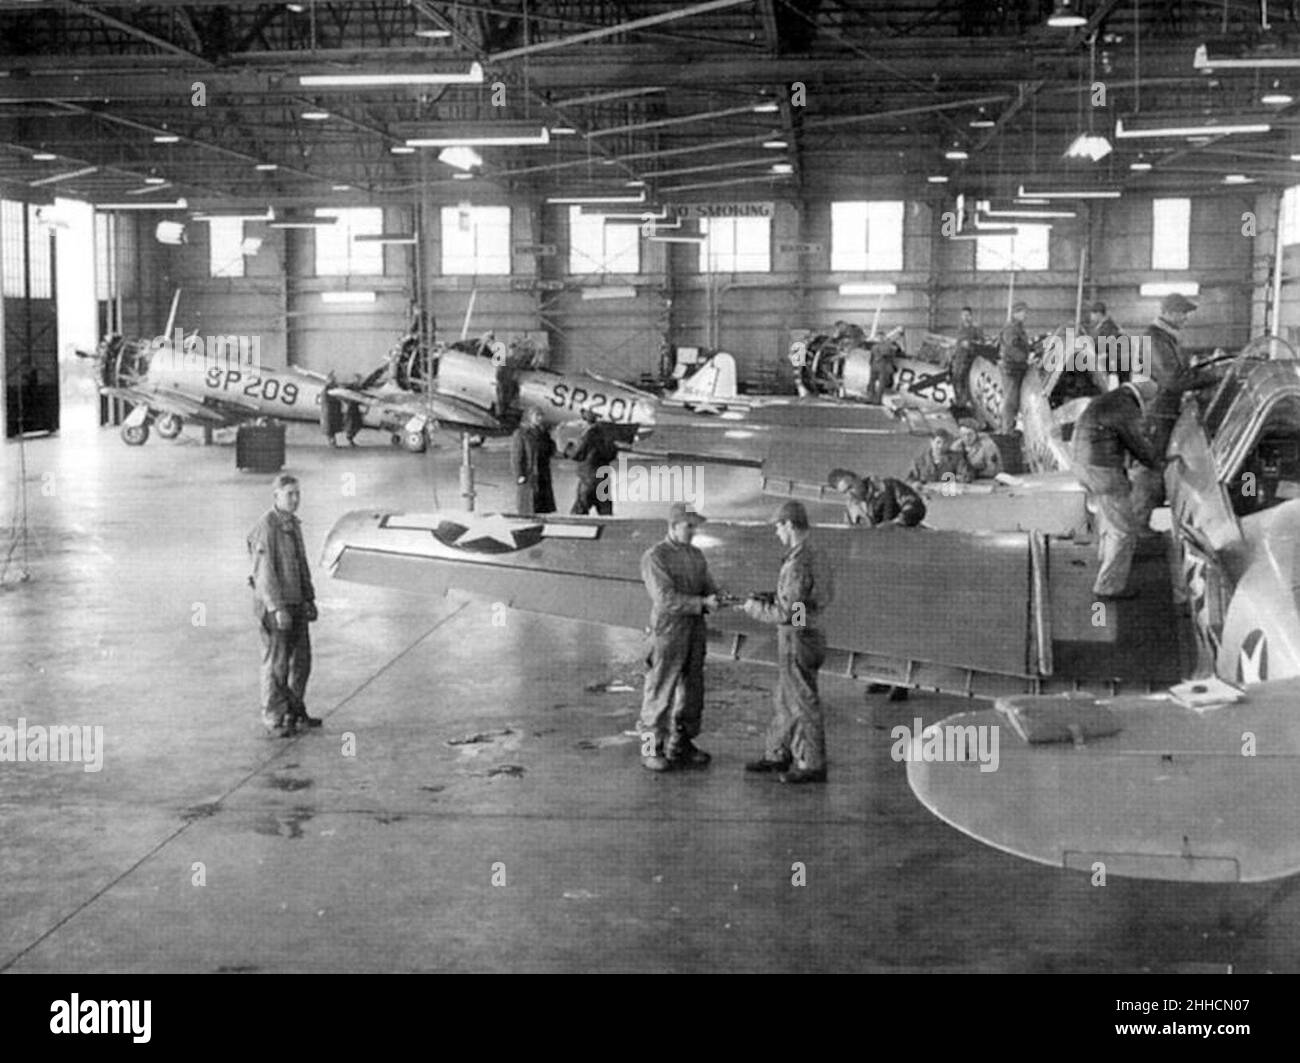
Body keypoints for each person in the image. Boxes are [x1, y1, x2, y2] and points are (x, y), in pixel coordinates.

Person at [742, 501, 835, 784]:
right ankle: (778, 752)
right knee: (785, 698)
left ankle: (811, 763)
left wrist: (753, 608)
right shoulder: (815, 554)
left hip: (797, 638)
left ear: (790, 525)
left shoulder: (798, 563)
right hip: (810, 633)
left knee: (802, 701)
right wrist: (771, 596)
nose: (776, 533)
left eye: (778, 527)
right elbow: (807, 599)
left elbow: (789, 614)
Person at [638, 503, 720, 772]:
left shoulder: (696, 555)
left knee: (692, 691)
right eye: (689, 526)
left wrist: (716, 596)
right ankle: (651, 750)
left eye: (695, 526)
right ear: (673, 526)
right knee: (660, 691)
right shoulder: (655, 557)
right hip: (668, 631)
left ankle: (681, 744)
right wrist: (701, 602)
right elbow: (664, 599)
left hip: (694, 630)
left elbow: (707, 584)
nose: (693, 531)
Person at [1072, 381, 1162, 599]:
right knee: (1124, 530)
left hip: (1082, 465)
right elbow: (1138, 445)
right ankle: (1108, 587)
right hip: (1102, 471)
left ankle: (1105, 558)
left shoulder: (1110, 399)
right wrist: (1158, 463)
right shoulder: (1126, 408)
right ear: (1145, 399)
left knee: (1108, 519)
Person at [247, 474, 320, 736]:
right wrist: (277, 608)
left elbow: (301, 565)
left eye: (298, 493)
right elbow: (263, 574)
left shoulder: (292, 524)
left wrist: (309, 597)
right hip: (276, 607)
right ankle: (273, 718)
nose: (295, 499)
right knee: (276, 664)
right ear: (276, 496)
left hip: (297, 602)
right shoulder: (266, 528)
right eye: (290, 494)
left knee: (302, 662)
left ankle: (294, 710)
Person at [1131, 292, 1211, 528]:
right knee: (1148, 470)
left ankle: (1139, 527)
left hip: (1161, 412)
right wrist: (1212, 376)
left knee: (1152, 469)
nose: (1186, 318)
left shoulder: (1167, 338)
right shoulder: (1155, 339)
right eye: (1182, 313)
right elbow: (1173, 379)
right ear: (1168, 313)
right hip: (1155, 414)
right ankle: (1136, 529)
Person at [828, 468, 926, 528]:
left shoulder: (888, 487)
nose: (850, 494)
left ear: (858, 478)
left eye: (850, 487)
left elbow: (915, 506)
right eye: (845, 492)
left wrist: (896, 523)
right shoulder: (851, 508)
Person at [570, 408, 620, 515]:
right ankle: (608, 529)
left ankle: (573, 530)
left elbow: (577, 454)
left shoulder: (587, 434)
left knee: (580, 510)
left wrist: (568, 449)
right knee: (605, 510)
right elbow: (612, 453)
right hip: (603, 478)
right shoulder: (606, 434)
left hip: (588, 477)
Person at [511, 406, 556, 514]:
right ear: (530, 417)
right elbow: (517, 456)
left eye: (541, 416)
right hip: (529, 474)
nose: (540, 418)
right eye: (537, 415)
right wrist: (519, 475)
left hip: (542, 474)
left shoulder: (544, 433)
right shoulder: (521, 434)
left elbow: (550, 451)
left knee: (543, 506)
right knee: (528, 505)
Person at [998, 300, 1031, 434]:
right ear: (1016, 313)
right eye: (1023, 312)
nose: (1025, 315)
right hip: (1011, 369)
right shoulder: (1011, 328)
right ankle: (1007, 430)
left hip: (1018, 368)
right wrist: (1025, 358)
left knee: (1014, 400)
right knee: (1010, 402)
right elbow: (1011, 348)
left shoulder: (1018, 327)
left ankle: (1010, 428)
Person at [906, 428, 973, 488]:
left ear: (949, 443)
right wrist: (914, 483)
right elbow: (909, 480)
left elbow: (966, 476)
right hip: (927, 496)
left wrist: (952, 481)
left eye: (945, 443)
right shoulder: (919, 461)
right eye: (938, 442)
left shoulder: (957, 458)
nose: (941, 446)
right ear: (931, 442)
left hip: (950, 495)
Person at [950, 306, 985, 409]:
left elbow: (982, 343)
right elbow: (957, 343)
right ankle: (959, 401)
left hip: (970, 359)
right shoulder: (960, 328)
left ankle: (966, 402)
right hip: (959, 358)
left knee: (966, 380)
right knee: (956, 378)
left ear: (971, 316)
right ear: (961, 316)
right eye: (964, 315)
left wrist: (970, 344)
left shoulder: (976, 329)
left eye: (968, 315)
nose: (966, 317)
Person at [1087, 300, 1127, 384]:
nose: (1091, 317)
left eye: (1092, 314)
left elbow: (1102, 345)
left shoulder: (1108, 327)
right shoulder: (1106, 325)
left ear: (1098, 314)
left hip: (1113, 365)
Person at [867, 326, 904, 404]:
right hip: (877, 367)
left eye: (881, 337)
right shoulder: (877, 346)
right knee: (873, 383)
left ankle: (876, 400)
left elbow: (893, 354)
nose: (880, 339)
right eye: (879, 337)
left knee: (880, 384)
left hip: (882, 368)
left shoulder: (886, 346)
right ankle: (872, 398)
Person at [320, 371, 343, 447]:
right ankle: (332, 443)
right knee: (330, 428)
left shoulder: (328, 388)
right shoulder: (328, 389)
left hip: (330, 410)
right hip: (330, 411)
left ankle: (332, 442)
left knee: (331, 428)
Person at [340, 375, 363, 446]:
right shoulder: (350, 387)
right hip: (351, 408)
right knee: (351, 424)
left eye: (359, 380)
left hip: (356, 408)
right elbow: (342, 394)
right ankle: (350, 440)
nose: (359, 381)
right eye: (358, 380)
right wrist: (347, 401)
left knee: (358, 424)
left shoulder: (360, 388)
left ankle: (351, 439)